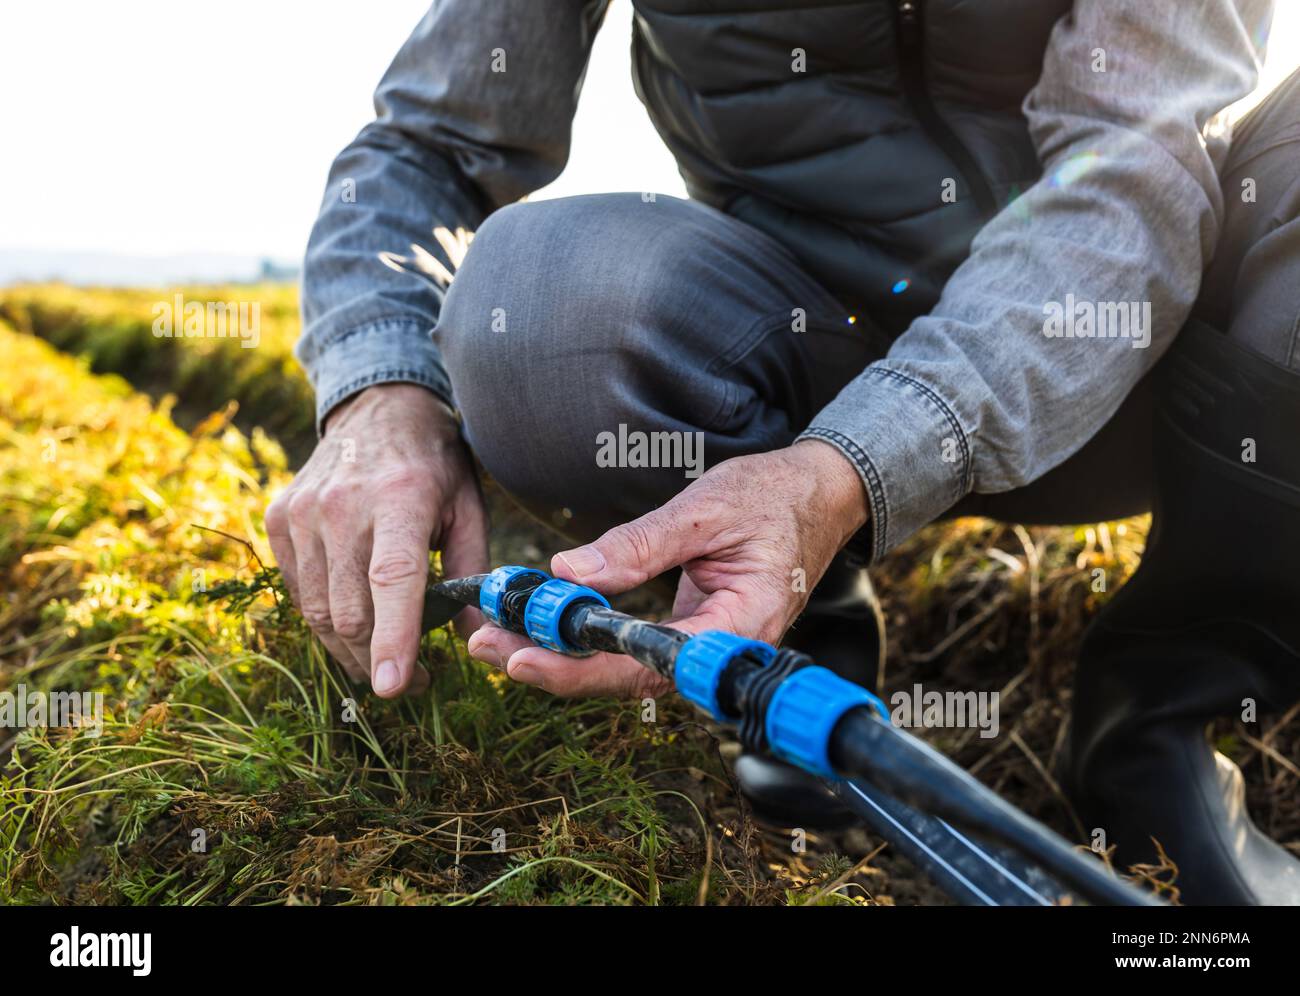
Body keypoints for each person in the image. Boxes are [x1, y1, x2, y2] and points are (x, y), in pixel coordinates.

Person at [266, 0, 1300, 904]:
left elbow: (1133, 176)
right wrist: (379, 392)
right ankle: (797, 635)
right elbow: (428, 144)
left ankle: (1157, 722)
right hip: (806, 359)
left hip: (1135, 365)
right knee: (536, 304)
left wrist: (858, 462)